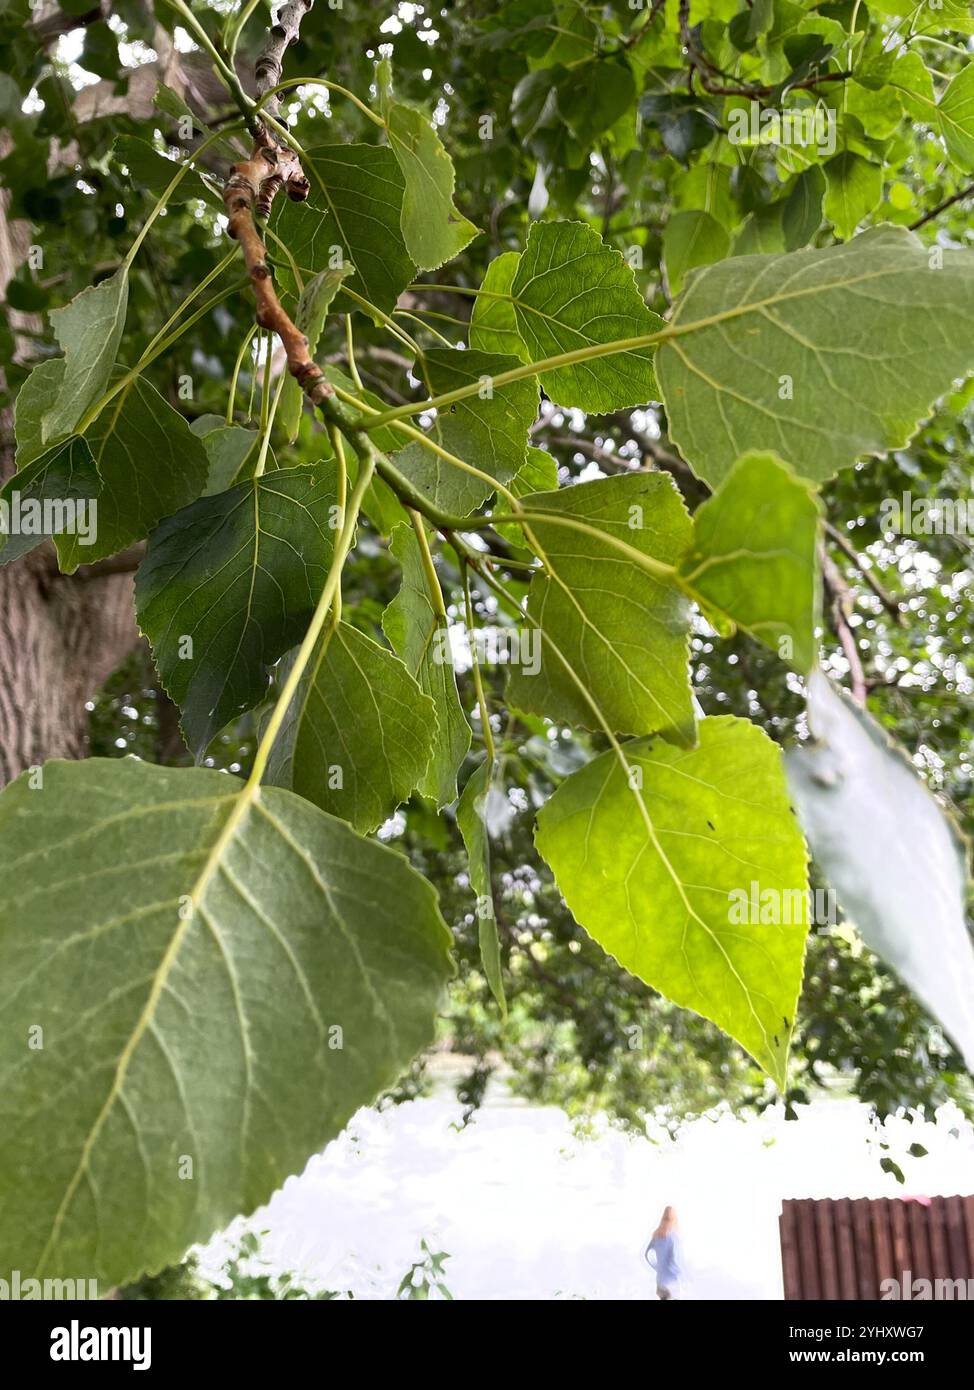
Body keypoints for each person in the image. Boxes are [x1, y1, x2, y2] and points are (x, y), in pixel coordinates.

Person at [644, 1205, 682, 1300]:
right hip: (672, 1284)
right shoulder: (673, 1237)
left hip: (660, 1282)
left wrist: (657, 1267)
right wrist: (680, 1273)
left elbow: (647, 1254)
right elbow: (674, 1260)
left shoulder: (656, 1235)